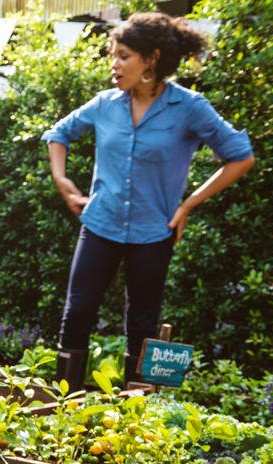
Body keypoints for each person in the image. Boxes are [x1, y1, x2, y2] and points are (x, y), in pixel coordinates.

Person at [43, 12, 254, 387]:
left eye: (123, 55)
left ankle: (135, 416)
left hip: (154, 232)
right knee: (76, 314)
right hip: (100, 223)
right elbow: (59, 134)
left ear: (151, 60)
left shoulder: (188, 107)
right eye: (113, 54)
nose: (114, 64)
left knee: (142, 324)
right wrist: (62, 179)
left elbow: (240, 156)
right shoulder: (105, 104)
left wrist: (188, 204)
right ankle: (63, 408)